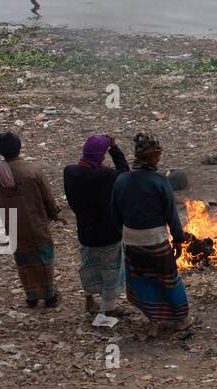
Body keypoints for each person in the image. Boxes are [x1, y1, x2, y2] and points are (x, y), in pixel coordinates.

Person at [110, 132, 193, 334]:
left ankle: (154, 322)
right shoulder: (160, 182)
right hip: (156, 240)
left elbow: (114, 213)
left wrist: (125, 235)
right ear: (156, 156)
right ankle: (180, 320)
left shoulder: (122, 180)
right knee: (169, 278)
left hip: (132, 241)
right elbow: (171, 216)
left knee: (142, 278)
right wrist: (179, 239)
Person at [0, 132, 62, 308]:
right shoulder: (32, 170)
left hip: (14, 226)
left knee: (24, 261)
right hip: (36, 223)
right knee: (44, 258)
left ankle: (31, 296)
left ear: (0, 151)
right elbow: (48, 198)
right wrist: (54, 214)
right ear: (19, 147)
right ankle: (49, 296)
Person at [63, 134, 129, 316]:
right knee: (111, 269)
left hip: (85, 231)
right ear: (101, 155)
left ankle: (89, 300)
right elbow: (125, 172)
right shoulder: (106, 176)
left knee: (88, 265)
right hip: (108, 233)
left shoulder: (70, 172)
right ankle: (108, 307)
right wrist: (114, 148)